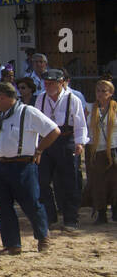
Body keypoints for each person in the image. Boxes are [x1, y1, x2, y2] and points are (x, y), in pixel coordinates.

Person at [0, 82, 60, 255]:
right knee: (3, 206)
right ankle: (12, 244)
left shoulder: (28, 112)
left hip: (21, 165)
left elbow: (53, 131)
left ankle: (43, 237)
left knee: (31, 203)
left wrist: (39, 149)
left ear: (3, 97)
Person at [34, 68, 86, 234]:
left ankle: (71, 219)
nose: (48, 86)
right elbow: (35, 123)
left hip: (66, 140)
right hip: (46, 141)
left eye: (51, 83)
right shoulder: (41, 98)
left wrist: (79, 143)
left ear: (61, 82)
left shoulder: (73, 99)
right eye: (46, 83)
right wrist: (36, 147)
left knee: (68, 181)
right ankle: (50, 217)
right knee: (42, 181)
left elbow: (80, 124)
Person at [83, 79, 117, 223]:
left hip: (113, 148)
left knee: (115, 182)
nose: (100, 93)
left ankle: (115, 212)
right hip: (95, 150)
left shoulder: (115, 109)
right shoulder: (89, 108)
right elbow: (82, 126)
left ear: (110, 93)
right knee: (98, 183)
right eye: (98, 90)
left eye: (104, 91)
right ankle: (101, 213)